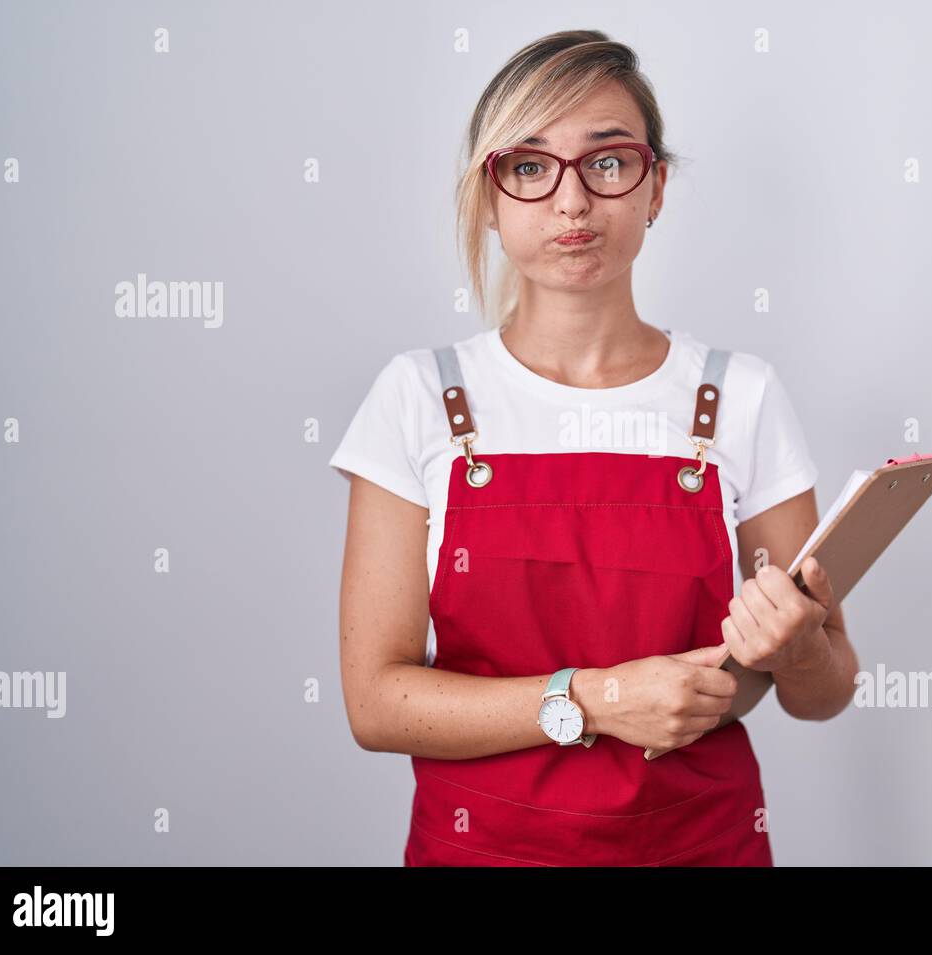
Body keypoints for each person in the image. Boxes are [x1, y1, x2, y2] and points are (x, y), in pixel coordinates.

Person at [328, 29, 859, 867]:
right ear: (491, 198)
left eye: (608, 162)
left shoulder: (742, 396)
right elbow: (376, 703)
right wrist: (599, 698)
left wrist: (796, 647)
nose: (572, 202)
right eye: (531, 166)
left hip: (703, 848)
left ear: (655, 189)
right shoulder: (420, 397)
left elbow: (825, 690)